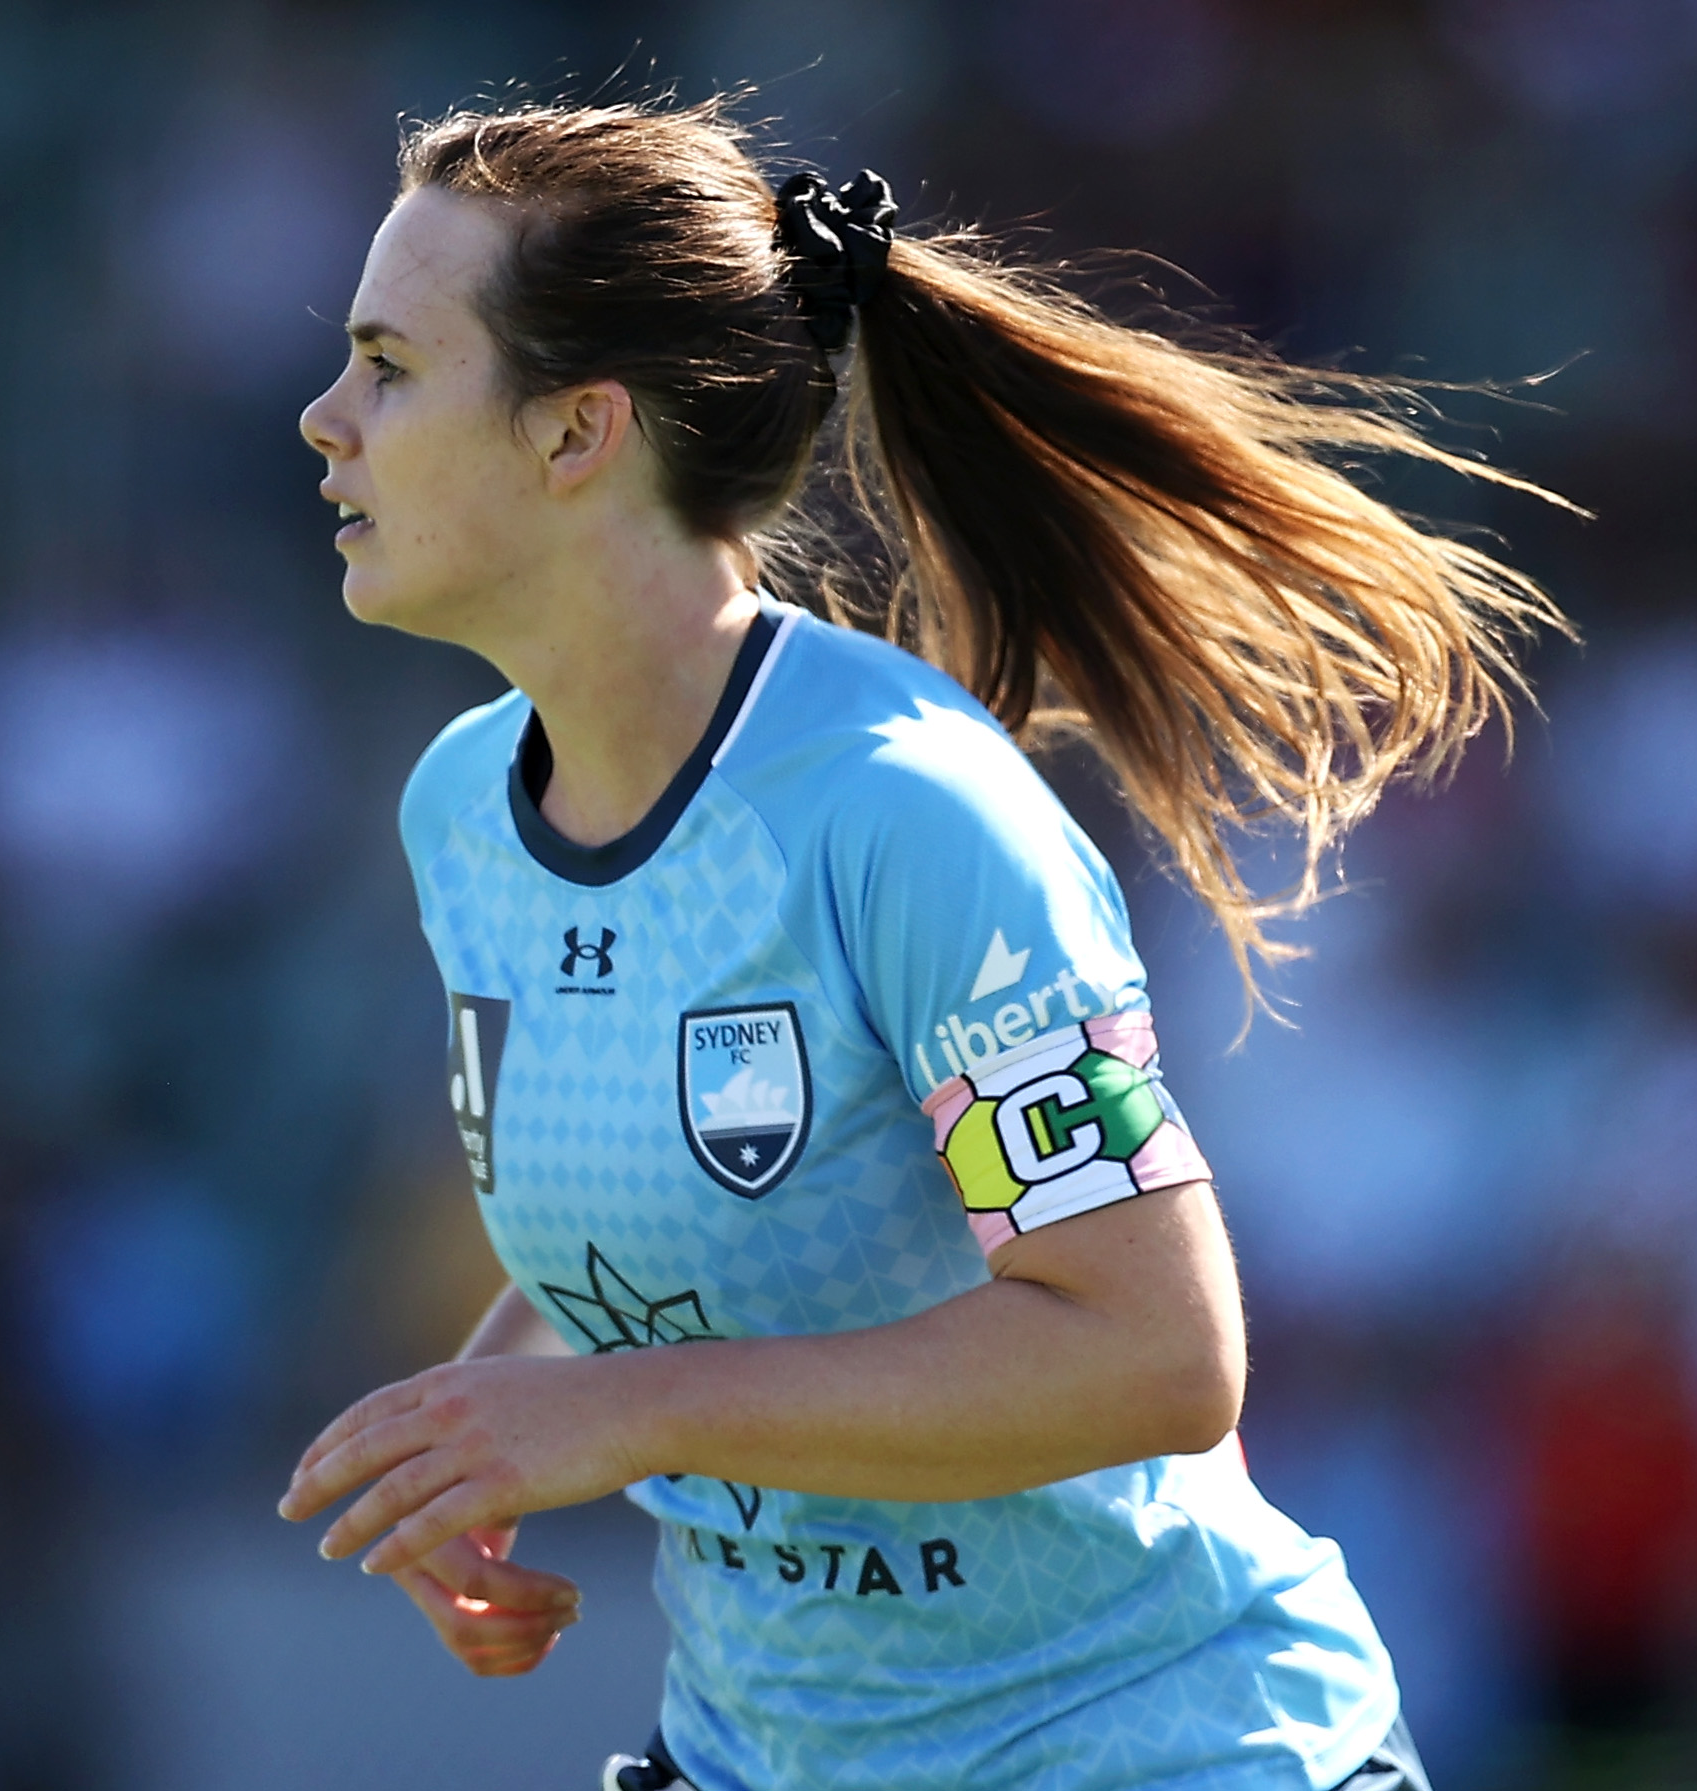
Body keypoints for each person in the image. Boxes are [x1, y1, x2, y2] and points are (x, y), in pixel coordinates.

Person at [279, 97, 1569, 1791]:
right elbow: (667, 1240)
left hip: (1152, 1752)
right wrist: (493, 1437)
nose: (324, 419)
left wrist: (621, 1415)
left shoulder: (909, 817)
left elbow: (1157, 1353)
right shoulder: (462, 814)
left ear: (576, 432)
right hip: (767, 1755)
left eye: (389, 362)